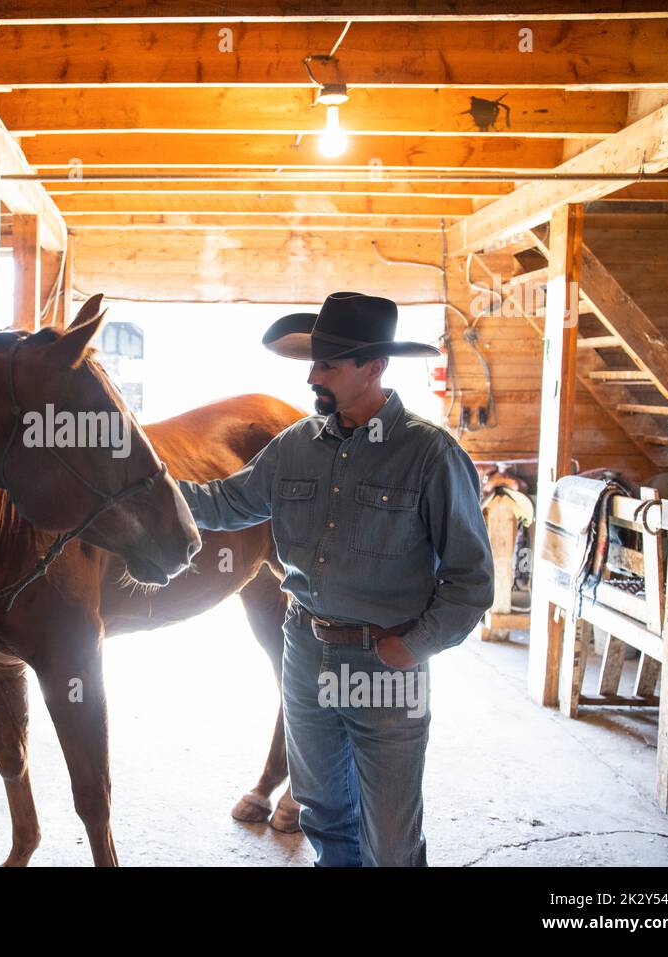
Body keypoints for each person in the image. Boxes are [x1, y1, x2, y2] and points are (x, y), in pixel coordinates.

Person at [174, 291, 494, 866]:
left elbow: (471, 580)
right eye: (313, 363)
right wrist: (145, 485)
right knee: (325, 813)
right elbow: (226, 503)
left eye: (328, 365)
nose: (312, 378)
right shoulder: (295, 446)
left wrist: (412, 647)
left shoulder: (429, 454)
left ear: (374, 368)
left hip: (386, 661)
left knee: (392, 838)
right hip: (306, 650)